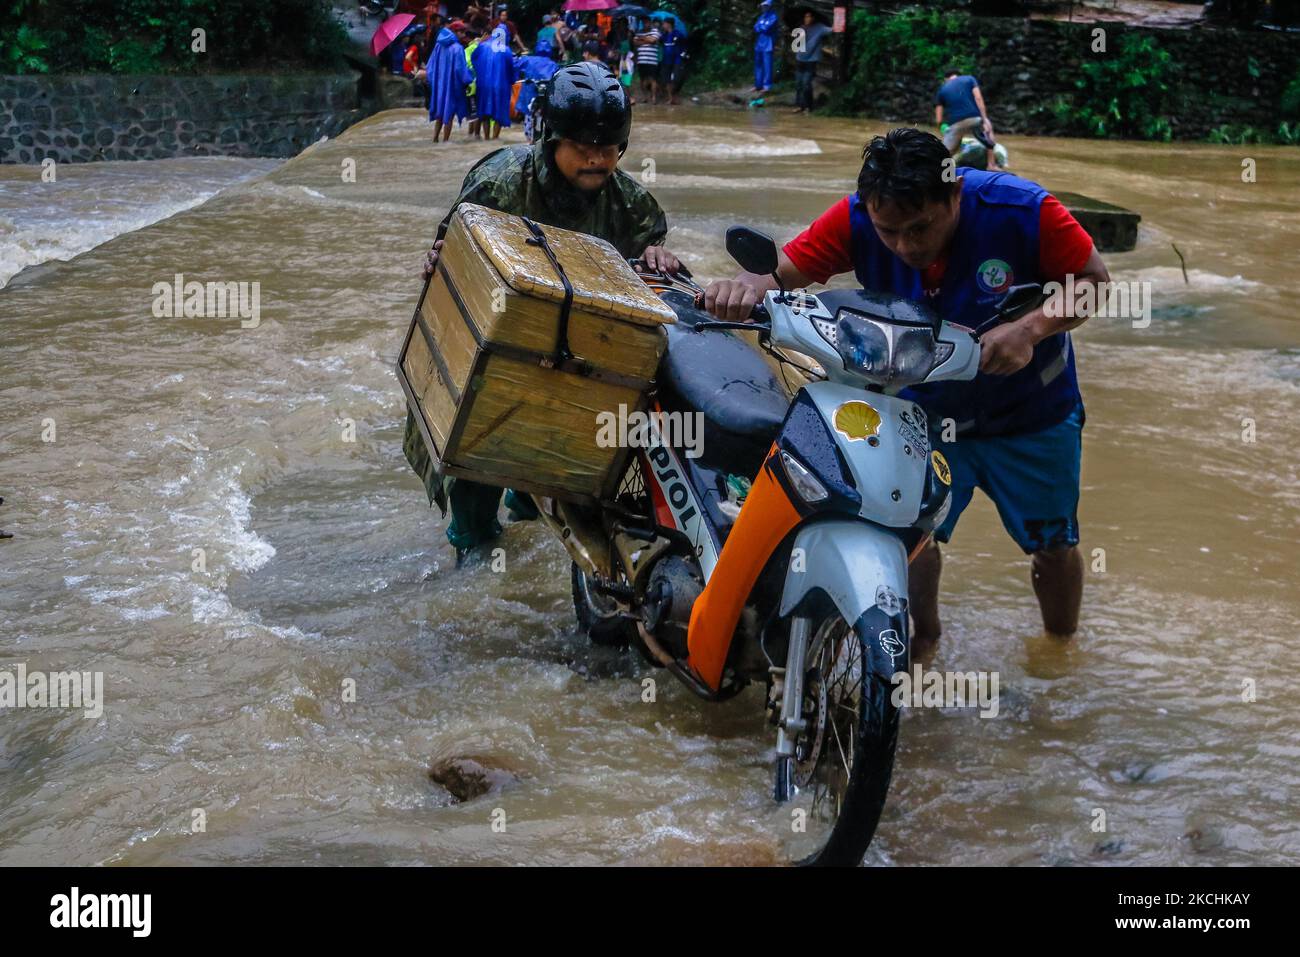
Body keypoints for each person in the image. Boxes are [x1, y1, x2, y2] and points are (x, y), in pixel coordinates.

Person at [703, 128, 1111, 652]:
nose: (906, 246)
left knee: (1053, 545)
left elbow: (1093, 279)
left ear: (955, 194)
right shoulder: (855, 219)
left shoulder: (1023, 209)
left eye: (921, 227)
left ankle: (1061, 647)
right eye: (889, 232)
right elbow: (781, 275)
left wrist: (1030, 330)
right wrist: (738, 289)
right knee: (910, 535)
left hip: (1032, 414)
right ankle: (922, 641)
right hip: (921, 409)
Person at [407, 62, 683, 563]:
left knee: (555, 462)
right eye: (583, 147)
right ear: (552, 139)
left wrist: (656, 261)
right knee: (475, 474)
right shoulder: (499, 184)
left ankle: (528, 506)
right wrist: (441, 256)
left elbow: (650, 278)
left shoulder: (634, 207)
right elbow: (455, 260)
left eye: (609, 148)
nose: (598, 159)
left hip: (571, 357)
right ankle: (474, 556)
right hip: (497, 351)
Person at [936, 66, 997, 168]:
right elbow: (978, 98)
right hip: (975, 119)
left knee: (945, 155)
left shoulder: (942, 89)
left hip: (956, 124)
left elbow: (938, 119)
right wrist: (984, 119)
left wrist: (943, 128)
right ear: (958, 75)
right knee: (988, 133)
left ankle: (947, 177)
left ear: (946, 79)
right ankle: (992, 165)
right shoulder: (969, 79)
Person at [427, 21, 472, 142]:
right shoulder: (457, 48)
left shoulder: (438, 45)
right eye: (461, 32)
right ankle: (445, 142)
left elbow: (430, 67)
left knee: (440, 114)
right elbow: (460, 70)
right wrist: (468, 81)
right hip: (452, 87)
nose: (463, 35)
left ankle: (435, 138)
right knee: (449, 114)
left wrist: (435, 83)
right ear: (455, 32)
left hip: (439, 86)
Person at [472, 24, 516, 139]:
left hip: (483, 85)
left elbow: (474, 60)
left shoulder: (482, 47)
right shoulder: (506, 50)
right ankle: (495, 139)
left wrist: (480, 75)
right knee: (499, 113)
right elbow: (512, 69)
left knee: (484, 113)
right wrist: (512, 81)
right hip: (501, 86)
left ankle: (486, 138)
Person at [792, 10, 830, 113]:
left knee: (806, 83)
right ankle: (799, 105)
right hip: (800, 59)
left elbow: (832, 30)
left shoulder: (820, 27)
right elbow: (796, 46)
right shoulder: (801, 28)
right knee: (799, 83)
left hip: (811, 60)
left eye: (809, 17)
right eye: (805, 17)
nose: (807, 19)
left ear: (813, 18)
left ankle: (808, 106)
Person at [752, 0, 779, 97]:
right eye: (763, 6)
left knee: (767, 65)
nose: (764, 8)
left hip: (768, 44)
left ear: (770, 6)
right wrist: (761, 27)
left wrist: (760, 27)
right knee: (758, 64)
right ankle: (758, 85)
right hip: (759, 43)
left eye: (766, 6)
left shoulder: (774, 17)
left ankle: (767, 86)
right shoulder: (761, 17)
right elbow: (755, 27)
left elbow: (766, 28)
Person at [658, 16, 687, 105]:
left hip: (677, 60)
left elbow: (685, 45)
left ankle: (675, 96)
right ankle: (671, 98)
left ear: (669, 24)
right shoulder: (664, 36)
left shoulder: (678, 34)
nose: (663, 25)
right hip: (666, 61)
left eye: (664, 24)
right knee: (666, 80)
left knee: (676, 79)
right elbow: (660, 42)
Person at [633, 17, 661, 105]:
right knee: (642, 79)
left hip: (652, 60)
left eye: (647, 22)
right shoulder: (639, 31)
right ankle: (645, 97)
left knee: (653, 79)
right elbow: (635, 42)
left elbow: (653, 40)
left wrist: (641, 39)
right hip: (641, 60)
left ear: (650, 22)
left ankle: (654, 97)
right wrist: (647, 40)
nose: (646, 23)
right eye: (644, 22)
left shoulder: (655, 31)